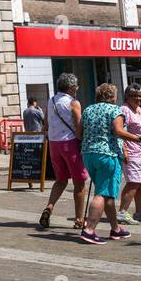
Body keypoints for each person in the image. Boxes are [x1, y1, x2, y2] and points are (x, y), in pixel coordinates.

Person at [79, 83, 141, 244]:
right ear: (113, 96)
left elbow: (78, 133)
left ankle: (115, 229)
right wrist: (138, 139)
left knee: (107, 193)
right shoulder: (115, 110)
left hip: (88, 154)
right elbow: (118, 131)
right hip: (107, 154)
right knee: (102, 193)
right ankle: (89, 230)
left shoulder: (88, 110)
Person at [38, 72, 87, 230]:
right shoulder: (73, 103)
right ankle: (79, 219)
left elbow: (45, 124)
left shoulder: (51, 101)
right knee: (79, 183)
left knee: (61, 180)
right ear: (72, 88)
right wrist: (81, 140)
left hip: (54, 144)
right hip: (70, 143)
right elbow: (79, 124)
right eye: (76, 86)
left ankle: (49, 206)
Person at [117, 84, 141, 225]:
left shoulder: (139, 110)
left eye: (140, 96)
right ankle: (122, 212)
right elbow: (120, 131)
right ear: (127, 96)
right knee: (133, 182)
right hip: (131, 151)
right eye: (135, 96)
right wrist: (124, 150)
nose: (138, 99)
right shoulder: (124, 110)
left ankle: (139, 212)